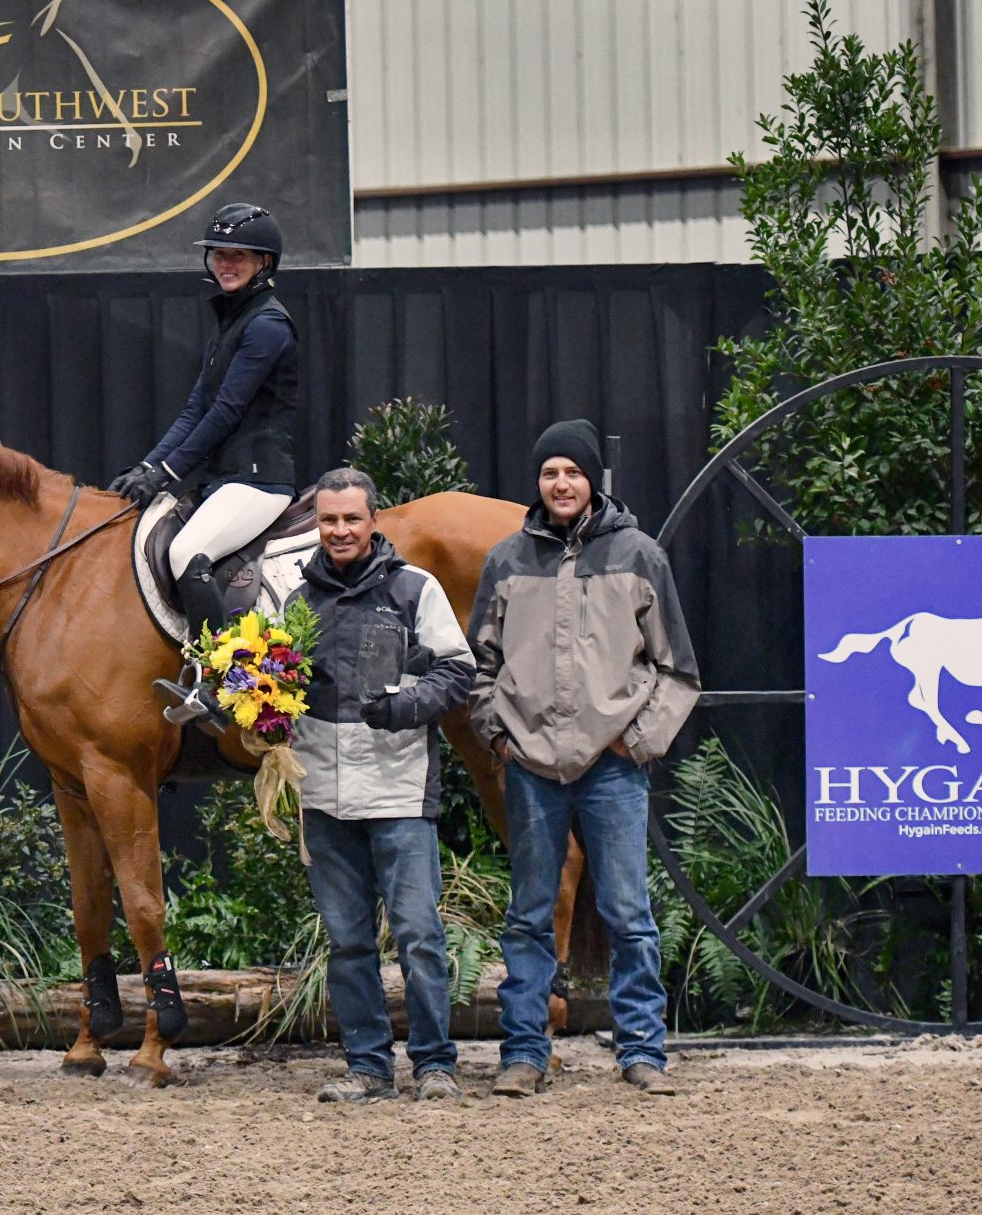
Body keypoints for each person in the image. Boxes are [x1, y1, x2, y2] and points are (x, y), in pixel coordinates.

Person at [467, 420, 700, 1098]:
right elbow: (479, 667)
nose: (560, 484)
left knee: (629, 913)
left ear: (592, 480)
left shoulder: (640, 555)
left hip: (613, 768)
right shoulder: (507, 560)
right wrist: (501, 738)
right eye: (549, 473)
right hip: (533, 769)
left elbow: (677, 672)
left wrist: (637, 741)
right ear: (536, 483)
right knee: (529, 914)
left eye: (572, 472)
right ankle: (523, 1053)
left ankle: (643, 1051)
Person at [287, 467, 477, 1103]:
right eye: (328, 519)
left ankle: (434, 1065)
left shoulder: (414, 588)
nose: (339, 530)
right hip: (322, 794)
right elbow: (278, 682)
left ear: (374, 521)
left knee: (420, 935)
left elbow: (459, 671)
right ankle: (367, 1067)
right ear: (317, 523)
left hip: (398, 790)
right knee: (347, 944)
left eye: (350, 519)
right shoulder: (296, 600)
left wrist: (405, 705)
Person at [110, 202, 299, 730]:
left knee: (188, 550)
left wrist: (168, 475)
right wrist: (148, 466)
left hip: (260, 480)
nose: (226, 263)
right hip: (225, 477)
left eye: (239, 255)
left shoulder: (268, 326)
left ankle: (219, 683)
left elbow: (227, 412)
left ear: (264, 262)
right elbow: (195, 407)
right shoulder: (233, 321)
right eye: (219, 254)